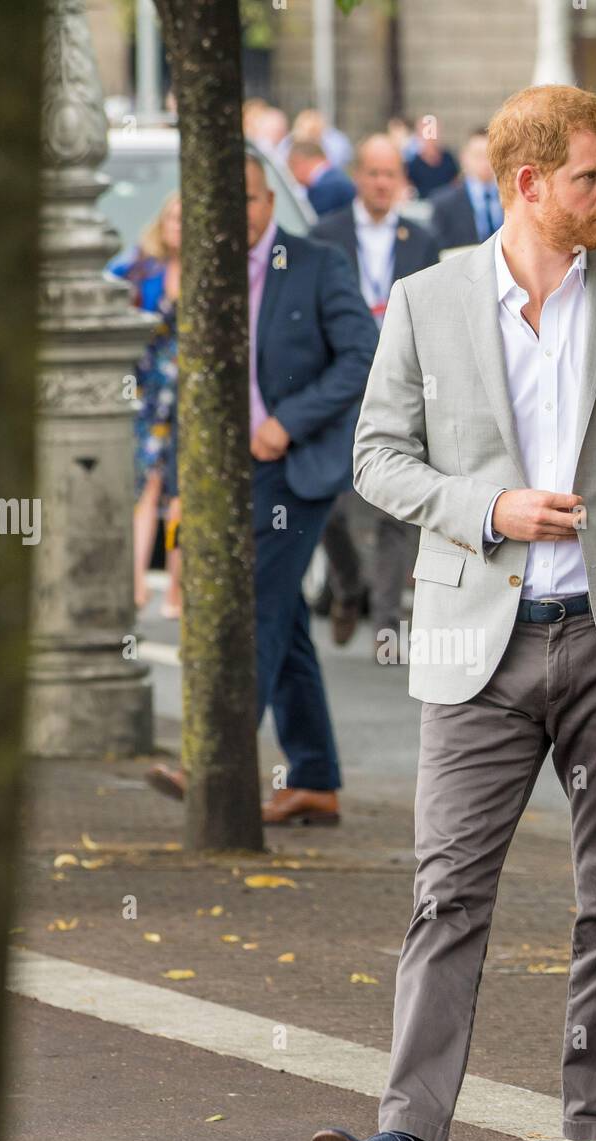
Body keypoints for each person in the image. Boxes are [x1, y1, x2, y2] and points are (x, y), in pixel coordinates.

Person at [309, 84, 596, 1141]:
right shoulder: (428, 300)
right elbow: (378, 457)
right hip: (475, 647)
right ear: (530, 183)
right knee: (447, 894)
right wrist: (489, 504)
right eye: (595, 175)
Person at [145, 153, 378, 824]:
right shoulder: (206, 273)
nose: (238, 212)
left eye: (248, 199)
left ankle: (212, 759)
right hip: (227, 471)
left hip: (295, 468)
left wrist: (288, 423)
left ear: (269, 203)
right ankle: (315, 780)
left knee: (255, 610)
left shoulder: (314, 264)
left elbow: (363, 354)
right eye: (225, 200)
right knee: (288, 628)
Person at [311, 134, 441, 651]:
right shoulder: (326, 235)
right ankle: (348, 588)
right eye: (373, 174)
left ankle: (386, 623)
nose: (382, 184)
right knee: (333, 503)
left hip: (402, 381)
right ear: (358, 177)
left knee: (394, 507)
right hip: (341, 383)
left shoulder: (421, 239)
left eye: (391, 175)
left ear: (401, 182)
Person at [108, 191, 183, 617]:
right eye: (172, 215)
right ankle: (134, 581)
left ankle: (178, 587)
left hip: (190, 397)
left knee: (182, 494)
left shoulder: (209, 273)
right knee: (143, 486)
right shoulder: (136, 269)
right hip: (145, 395)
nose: (178, 224)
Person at [428, 129, 503, 250]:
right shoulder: (444, 203)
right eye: (478, 155)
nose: (485, 162)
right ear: (464, 158)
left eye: (491, 155)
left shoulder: (512, 198)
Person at [287, 139, 356, 217]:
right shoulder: (335, 177)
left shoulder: (325, 186)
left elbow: (314, 223)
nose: (291, 175)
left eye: (291, 168)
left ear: (298, 161)